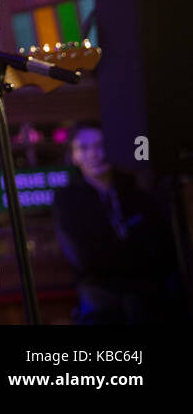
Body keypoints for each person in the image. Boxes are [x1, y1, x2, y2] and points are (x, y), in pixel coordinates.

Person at [52, 120, 183, 324]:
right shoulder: (67, 199)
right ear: (74, 156)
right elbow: (82, 257)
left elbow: (162, 247)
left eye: (100, 145)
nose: (94, 154)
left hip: (150, 292)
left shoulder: (138, 190)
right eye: (84, 148)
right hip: (101, 294)